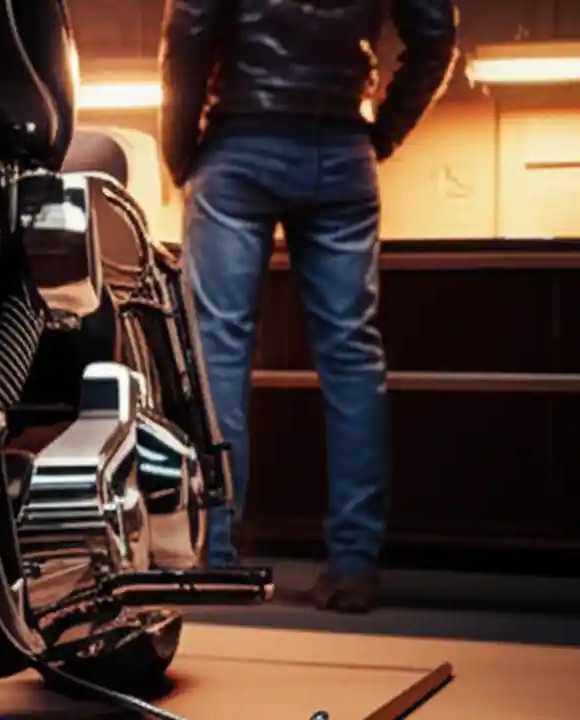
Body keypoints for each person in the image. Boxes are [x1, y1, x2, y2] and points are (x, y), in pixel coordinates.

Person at [159, 0, 458, 612]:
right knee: (352, 358)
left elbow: (189, 27)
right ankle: (353, 564)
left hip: (240, 142)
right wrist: (383, 131)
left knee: (217, 351)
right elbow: (435, 36)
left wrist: (180, 149)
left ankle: (216, 554)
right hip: (342, 144)